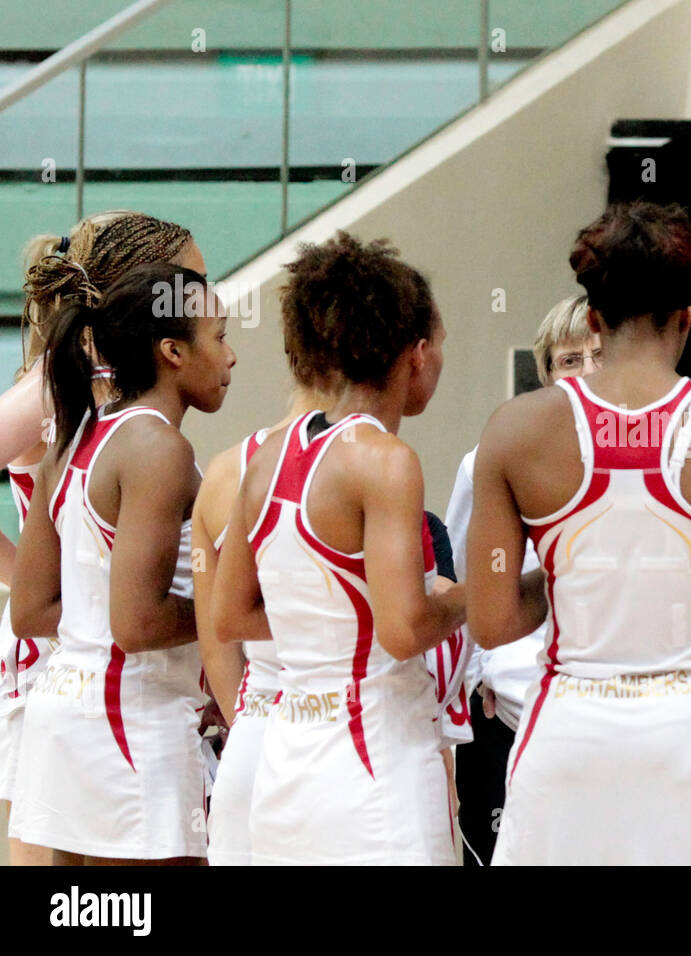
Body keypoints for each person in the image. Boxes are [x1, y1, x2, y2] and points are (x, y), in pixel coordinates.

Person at [468, 200, 691, 865]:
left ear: (593, 321)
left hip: (566, 738)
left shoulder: (514, 430)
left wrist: (571, 578)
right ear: (687, 318)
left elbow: (489, 622)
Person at [211, 232, 467, 865]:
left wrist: (332, 621)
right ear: (417, 354)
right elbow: (405, 631)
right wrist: (474, 598)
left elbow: (229, 616)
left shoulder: (268, 457)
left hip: (286, 769)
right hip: (374, 767)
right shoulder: (385, 460)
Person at [10, 262, 235, 865]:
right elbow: (136, 623)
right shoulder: (160, 448)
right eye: (219, 336)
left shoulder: (74, 440)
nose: (231, 356)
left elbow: (29, 611)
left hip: (64, 716)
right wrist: (232, 608)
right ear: (173, 352)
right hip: (127, 721)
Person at [445, 292, 600, 865]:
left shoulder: (661, 461)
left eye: (598, 355)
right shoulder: (486, 459)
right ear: (545, 374)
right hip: (512, 711)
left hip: (614, 715)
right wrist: (479, 672)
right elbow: (463, 585)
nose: (586, 371)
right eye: (569, 359)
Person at [193, 262, 341, 866]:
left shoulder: (225, 470)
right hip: (343, 741)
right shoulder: (375, 463)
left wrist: (251, 718)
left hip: (256, 736)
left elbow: (215, 638)